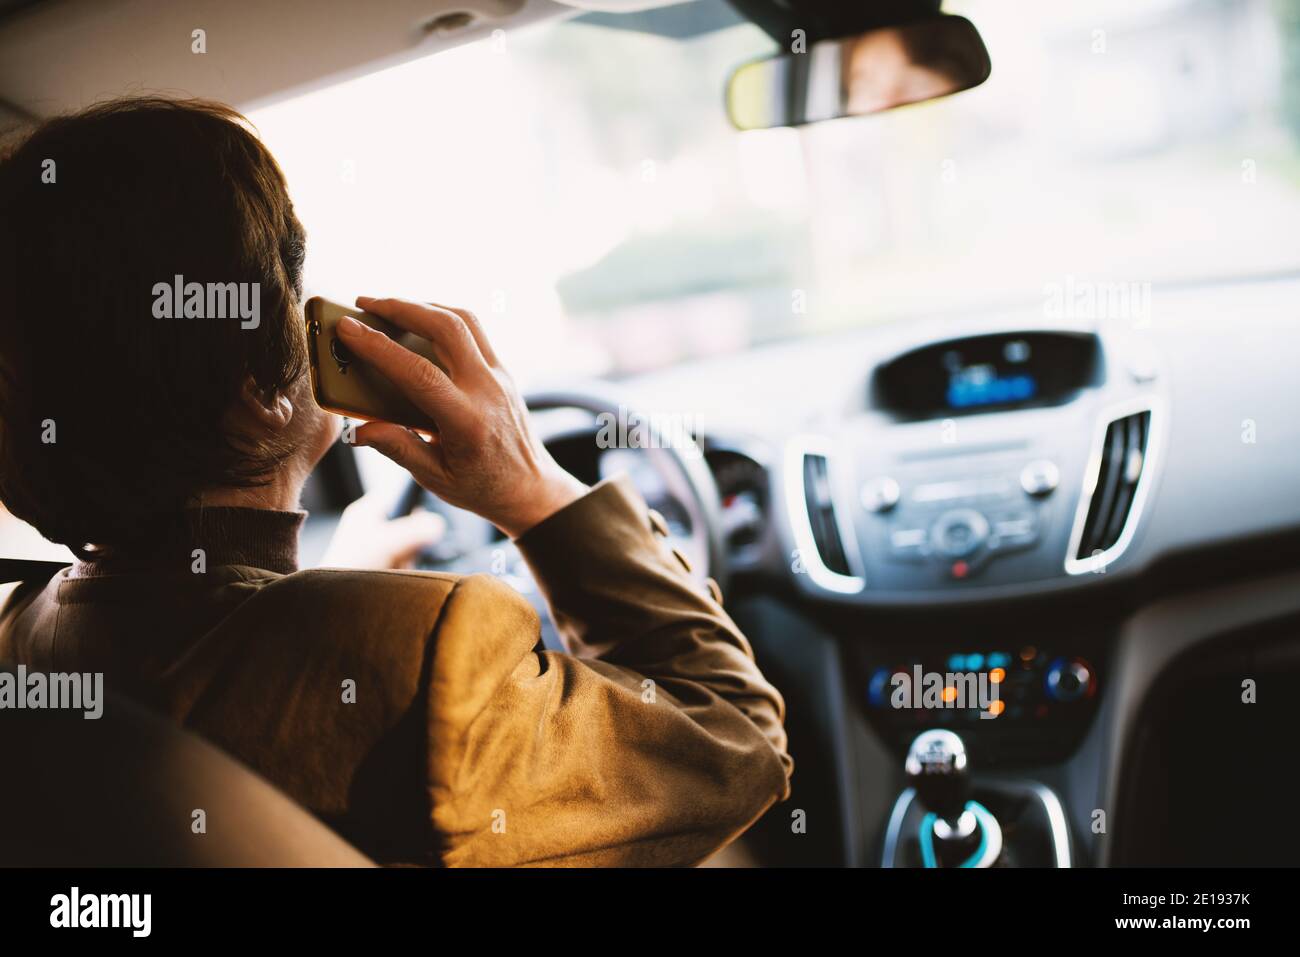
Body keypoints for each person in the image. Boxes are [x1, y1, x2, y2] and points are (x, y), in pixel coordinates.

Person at [0, 97, 791, 866]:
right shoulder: (422, 650)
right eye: (295, 285)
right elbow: (737, 743)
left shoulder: (23, 638)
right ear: (262, 391)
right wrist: (532, 490)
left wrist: (320, 597)